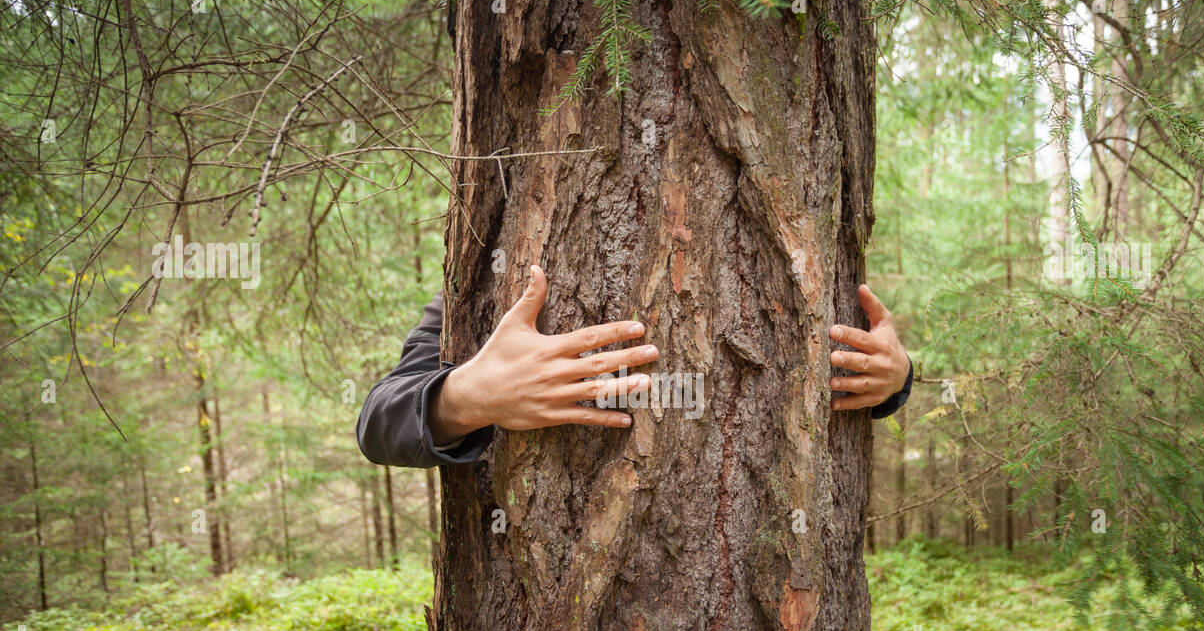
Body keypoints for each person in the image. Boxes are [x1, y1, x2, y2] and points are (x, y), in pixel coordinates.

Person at [356, 264, 913, 467]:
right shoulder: (477, 281)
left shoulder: (812, 255)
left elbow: (829, 373)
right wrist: (467, 397)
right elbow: (378, 423)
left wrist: (895, 377)